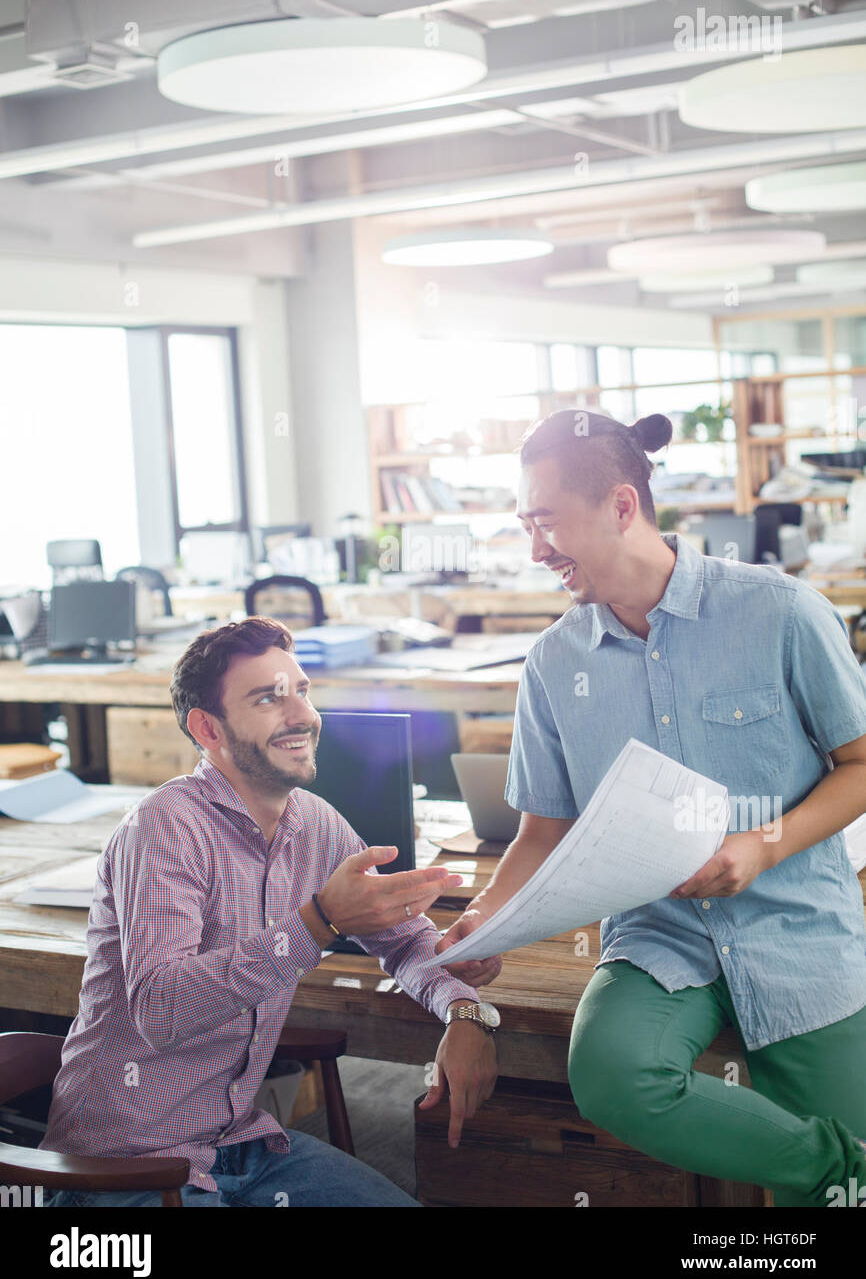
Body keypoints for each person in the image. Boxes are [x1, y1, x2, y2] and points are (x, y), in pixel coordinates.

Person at [437, 406, 866, 1208]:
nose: (535, 550)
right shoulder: (554, 663)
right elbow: (545, 829)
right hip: (658, 936)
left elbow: (861, 764)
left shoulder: (780, 611)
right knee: (613, 1078)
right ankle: (848, 1167)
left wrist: (764, 846)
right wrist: (489, 920)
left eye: (545, 523)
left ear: (622, 506)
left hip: (800, 928)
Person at [41, 617, 497, 1207]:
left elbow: (407, 942)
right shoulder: (164, 827)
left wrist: (466, 1010)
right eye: (267, 699)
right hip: (122, 1164)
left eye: (302, 691)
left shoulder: (315, 821)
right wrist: (319, 922)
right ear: (208, 728)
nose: (302, 716)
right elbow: (161, 1009)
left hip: (242, 1143)